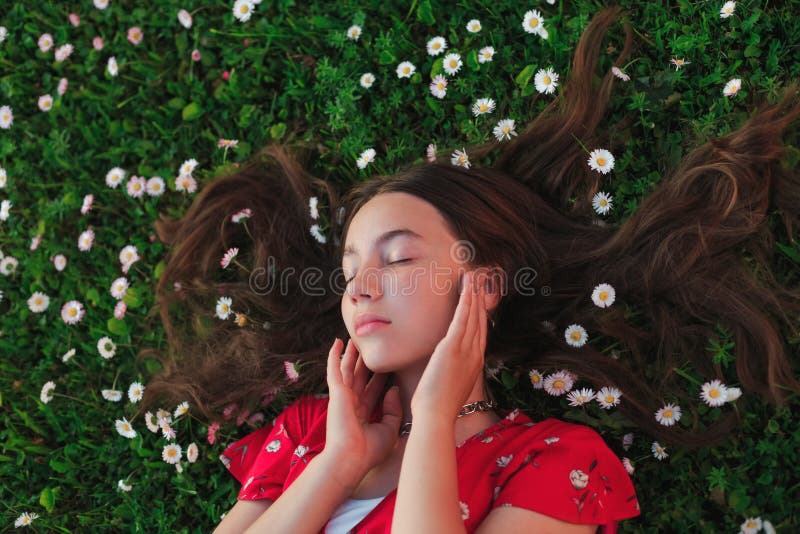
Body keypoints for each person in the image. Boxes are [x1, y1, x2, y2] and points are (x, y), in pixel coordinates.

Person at [137, 5, 800, 533]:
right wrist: (338, 464)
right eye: (349, 269)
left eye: (398, 257)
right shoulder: (312, 431)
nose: (359, 288)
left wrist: (434, 420)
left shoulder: (551, 461)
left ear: (484, 283)